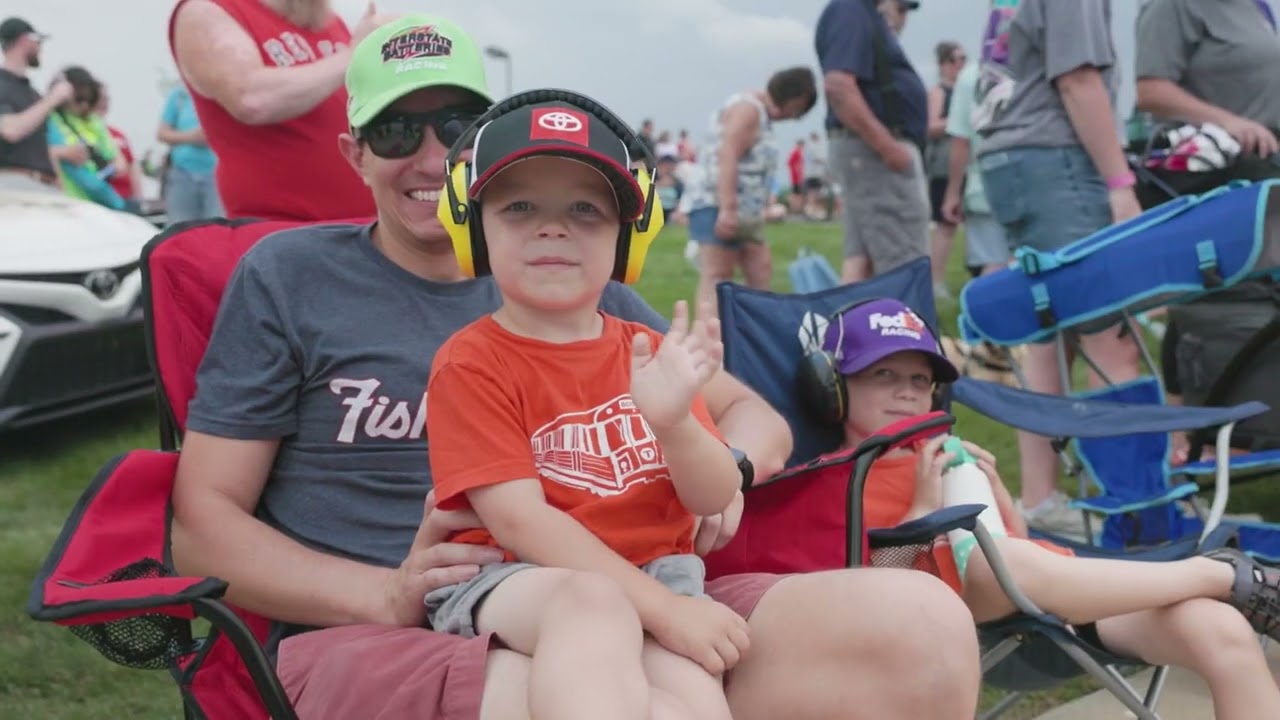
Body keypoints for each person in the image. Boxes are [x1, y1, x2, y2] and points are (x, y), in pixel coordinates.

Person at [170, 15, 981, 720]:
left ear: (483, 144)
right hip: (386, 625)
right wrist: (384, 593)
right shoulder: (290, 278)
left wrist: (717, 472)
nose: (426, 155)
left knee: (923, 628)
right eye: (394, 132)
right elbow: (200, 532)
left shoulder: (581, 293)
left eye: (455, 126)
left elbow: (753, 418)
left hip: (638, 586)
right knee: (598, 681)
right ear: (354, 153)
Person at [424, 92, 743, 718]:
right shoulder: (471, 362)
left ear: (629, 239)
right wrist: (665, 613)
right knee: (594, 608)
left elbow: (713, 494)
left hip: (658, 573)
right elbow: (522, 523)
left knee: (694, 705)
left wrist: (674, 425)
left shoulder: (649, 354)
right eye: (519, 206)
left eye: (585, 210)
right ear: (473, 228)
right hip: (518, 577)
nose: (554, 227)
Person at [820, 297, 1280, 720]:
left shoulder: (947, 457)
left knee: (1219, 629)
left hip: (1056, 608)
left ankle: (1222, 581)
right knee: (996, 561)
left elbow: (1022, 544)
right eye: (884, 375)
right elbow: (871, 591)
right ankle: (1218, 573)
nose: (906, 392)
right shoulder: (830, 480)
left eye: (920, 379)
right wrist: (922, 507)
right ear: (832, 388)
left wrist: (992, 488)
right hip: (960, 623)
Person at [974, 0, 1142, 540]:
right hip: (1057, 159)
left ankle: (1043, 501)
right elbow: (1077, 79)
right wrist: (1121, 184)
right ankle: (1134, 506)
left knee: (1050, 336)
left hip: (1015, 159)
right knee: (1110, 340)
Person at [168, 0, 392, 221]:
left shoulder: (326, 21)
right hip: (282, 233)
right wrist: (354, 54)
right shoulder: (207, 11)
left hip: (362, 228)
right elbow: (250, 98)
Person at [683, 67, 817, 321]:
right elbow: (728, 155)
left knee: (760, 270)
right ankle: (706, 344)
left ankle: (755, 335)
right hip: (716, 203)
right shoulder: (748, 110)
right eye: (797, 111)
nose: (792, 117)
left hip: (745, 210)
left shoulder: (759, 111)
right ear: (792, 100)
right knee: (718, 274)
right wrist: (728, 208)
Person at [816, 0, 930, 283]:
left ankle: (850, 325)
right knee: (903, 259)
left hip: (869, 152)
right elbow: (839, 85)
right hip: (874, 154)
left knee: (862, 258)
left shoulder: (861, 14)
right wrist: (888, 148)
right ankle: (907, 322)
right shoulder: (851, 10)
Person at [940, 58, 1009, 278]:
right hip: (1036, 182)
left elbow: (961, 140)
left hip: (984, 184)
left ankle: (989, 311)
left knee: (993, 264)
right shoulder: (1037, 62)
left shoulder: (970, 76)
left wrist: (953, 193)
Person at [0, 17, 72, 190]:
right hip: (14, 185)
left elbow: (45, 147)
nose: (40, 48)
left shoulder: (33, 95)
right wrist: (53, 98)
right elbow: (10, 130)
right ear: (25, 40)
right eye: (38, 41)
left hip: (42, 186)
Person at [46, 66, 130, 212]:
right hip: (68, 204)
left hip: (103, 202)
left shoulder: (95, 121)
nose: (84, 104)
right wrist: (63, 152)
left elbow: (120, 162)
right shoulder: (50, 119)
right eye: (79, 98)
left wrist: (112, 168)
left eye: (89, 99)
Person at [924, 41, 965, 300]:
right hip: (942, 166)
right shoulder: (940, 92)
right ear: (944, 64)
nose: (961, 64)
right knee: (945, 225)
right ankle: (935, 281)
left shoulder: (961, 92)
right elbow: (930, 126)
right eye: (957, 59)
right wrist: (958, 119)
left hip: (960, 165)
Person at [158, 83, 224, 222]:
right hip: (182, 175)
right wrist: (193, 137)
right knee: (179, 230)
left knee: (216, 228)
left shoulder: (224, 94)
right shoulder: (179, 96)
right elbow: (162, 134)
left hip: (218, 176)